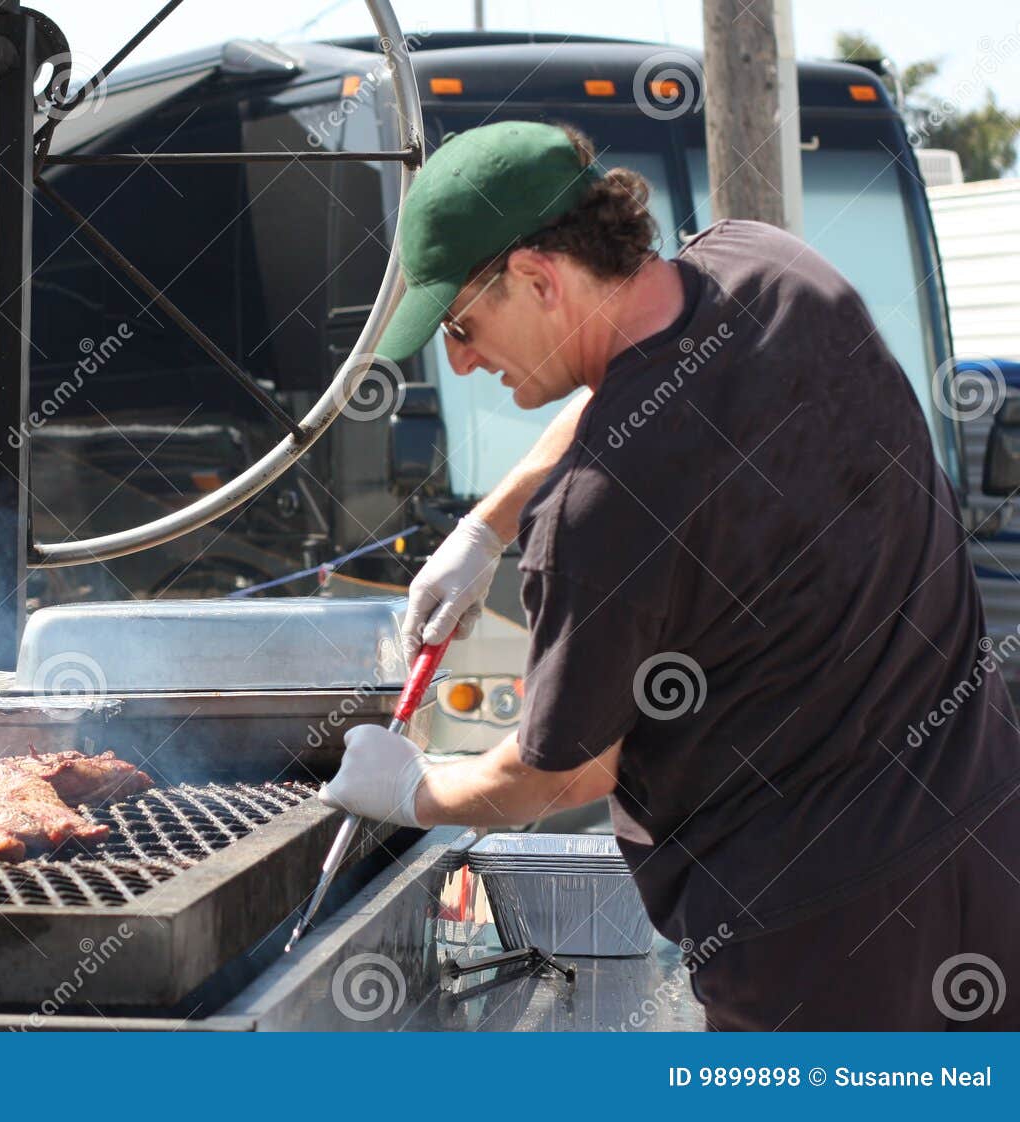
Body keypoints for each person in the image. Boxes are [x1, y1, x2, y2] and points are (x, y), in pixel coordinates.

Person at [320, 120, 1020, 1030]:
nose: (458, 360)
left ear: (537, 277)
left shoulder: (595, 516)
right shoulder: (767, 266)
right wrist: (486, 524)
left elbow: (558, 775)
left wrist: (413, 790)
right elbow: (643, 376)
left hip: (818, 948)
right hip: (986, 834)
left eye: (461, 325)